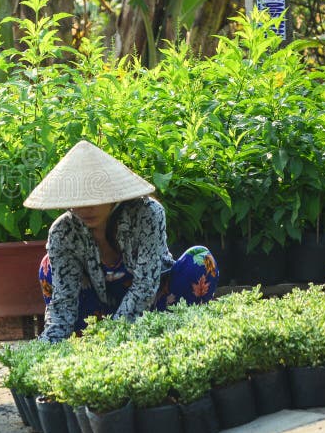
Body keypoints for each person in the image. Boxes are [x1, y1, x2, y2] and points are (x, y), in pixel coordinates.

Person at [24, 140, 218, 343]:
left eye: (93, 198)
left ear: (112, 193)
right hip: (100, 312)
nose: (84, 209)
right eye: (77, 200)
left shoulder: (147, 213)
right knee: (47, 266)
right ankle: (83, 343)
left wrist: (113, 338)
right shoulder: (63, 231)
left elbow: (146, 285)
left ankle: (173, 337)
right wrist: (44, 348)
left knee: (200, 260)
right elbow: (63, 302)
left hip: (156, 306)